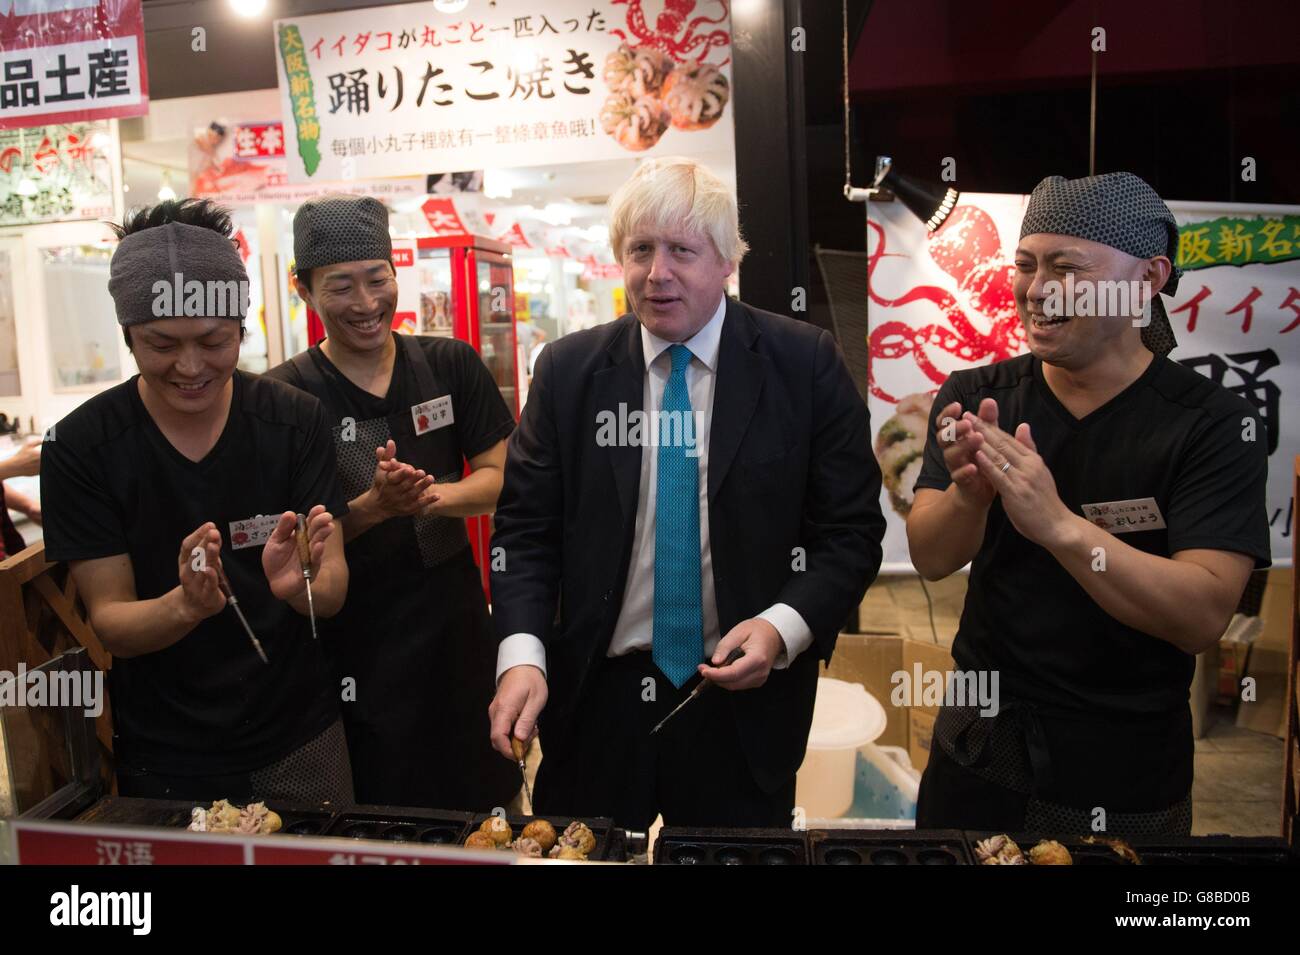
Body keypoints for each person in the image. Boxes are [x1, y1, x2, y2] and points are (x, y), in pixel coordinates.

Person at [487, 157, 885, 829]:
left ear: (728, 260)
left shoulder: (802, 364)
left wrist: (781, 626)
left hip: (739, 696)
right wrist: (521, 655)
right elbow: (525, 531)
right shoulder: (569, 372)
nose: (656, 272)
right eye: (640, 249)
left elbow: (850, 532)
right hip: (596, 697)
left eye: (681, 250)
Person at [907, 173, 1270, 836]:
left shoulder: (1210, 423)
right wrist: (968, 496)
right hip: (982, 750)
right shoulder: (982, 394)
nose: (1036, 288)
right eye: (1025, 264)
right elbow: (930, 558)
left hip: (1125, 765)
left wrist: (1060, 529)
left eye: (1067, 266)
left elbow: (1201, 616)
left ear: (1147, 279)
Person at [39, 199, 352, 804]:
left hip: (300, 734)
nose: (190, 367)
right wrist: (185, 605)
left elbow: (333, 586)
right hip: (168, 752)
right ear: (128, 334)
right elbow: (112, 622)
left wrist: (302, 587)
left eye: (213, 341)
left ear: (242, 328)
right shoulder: (82, 446)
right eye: (162, 344)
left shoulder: (294, 419)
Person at [266, 195, 518, 810]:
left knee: (485, 785)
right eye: (340, 286)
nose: (365, 303)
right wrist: (375, 506)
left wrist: (431, 497)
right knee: (384, 801)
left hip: (456, 620)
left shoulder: (450, 364)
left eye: (377, 279)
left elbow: (500, 476)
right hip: (357, 635)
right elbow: (290, 543)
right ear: (304, 290)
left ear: (396, 274)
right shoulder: (286, 396)